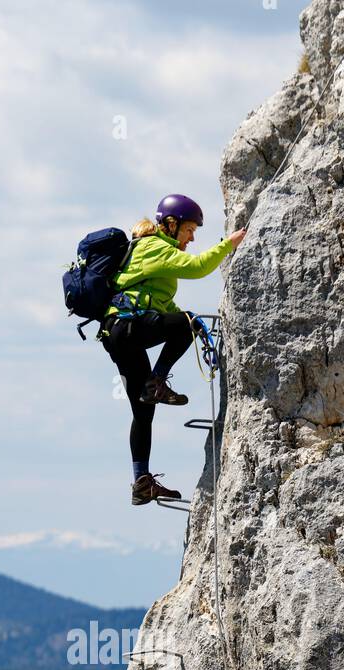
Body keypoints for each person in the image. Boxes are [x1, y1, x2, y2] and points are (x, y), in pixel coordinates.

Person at [101, 194, 246, 505]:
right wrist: (229, 244)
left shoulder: (150, 252)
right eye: (190, 229)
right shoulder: (154, 247)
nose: (192, 237)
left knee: (143, 410)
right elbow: (197, 268)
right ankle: (158, 382)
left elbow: (162, 306)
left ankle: (141, 482)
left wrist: (187, 321)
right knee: (185, 323)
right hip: (127, 328)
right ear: (171, 224)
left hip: (119, 333)